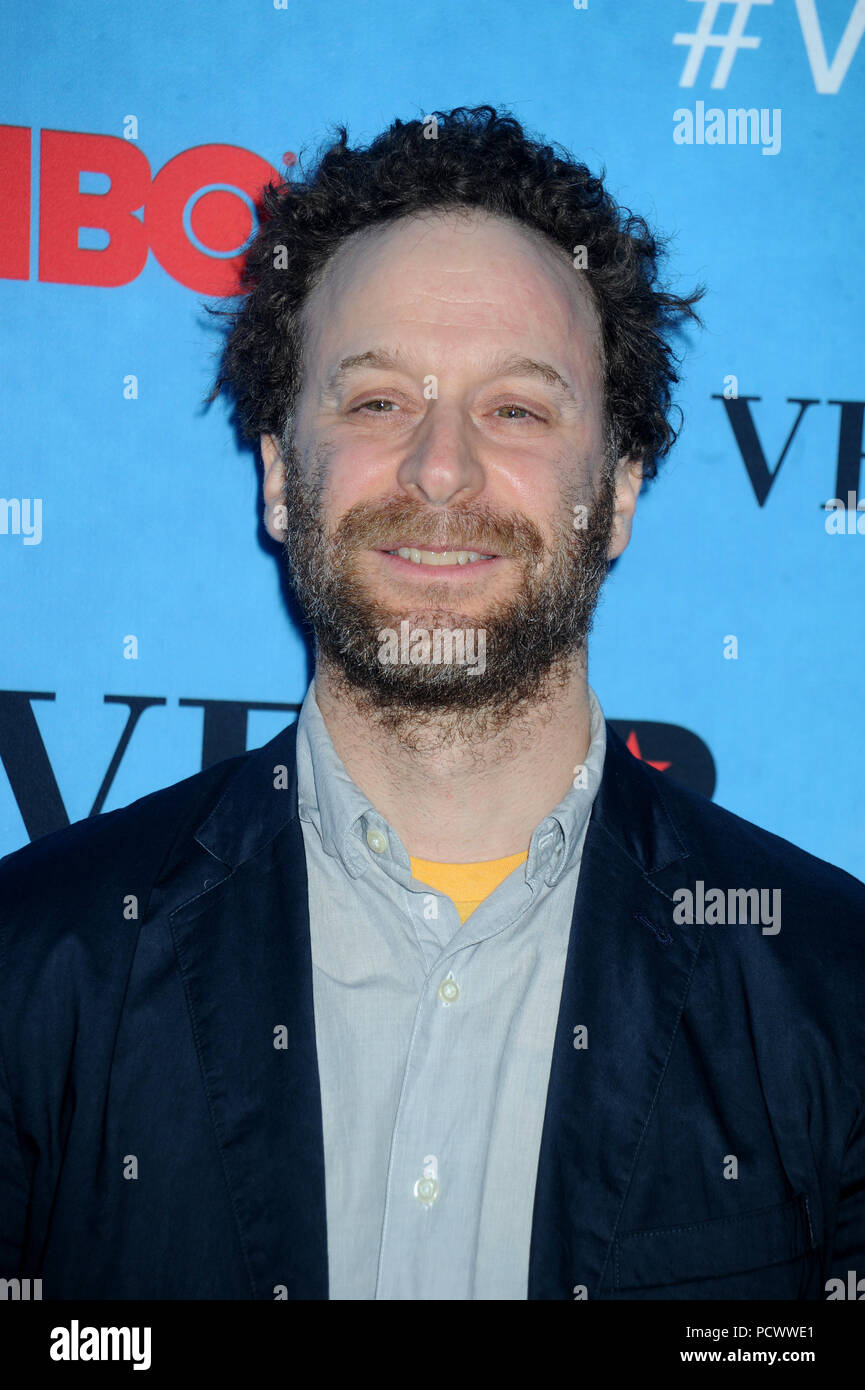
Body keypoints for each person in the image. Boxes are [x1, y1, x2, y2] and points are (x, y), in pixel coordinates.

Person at [1, 106, 862, 1301]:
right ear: (277, 481)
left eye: (515, 409)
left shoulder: (837, 991)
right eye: (375, 403)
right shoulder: (30, 970)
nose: (440, 469)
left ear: (614, 496)